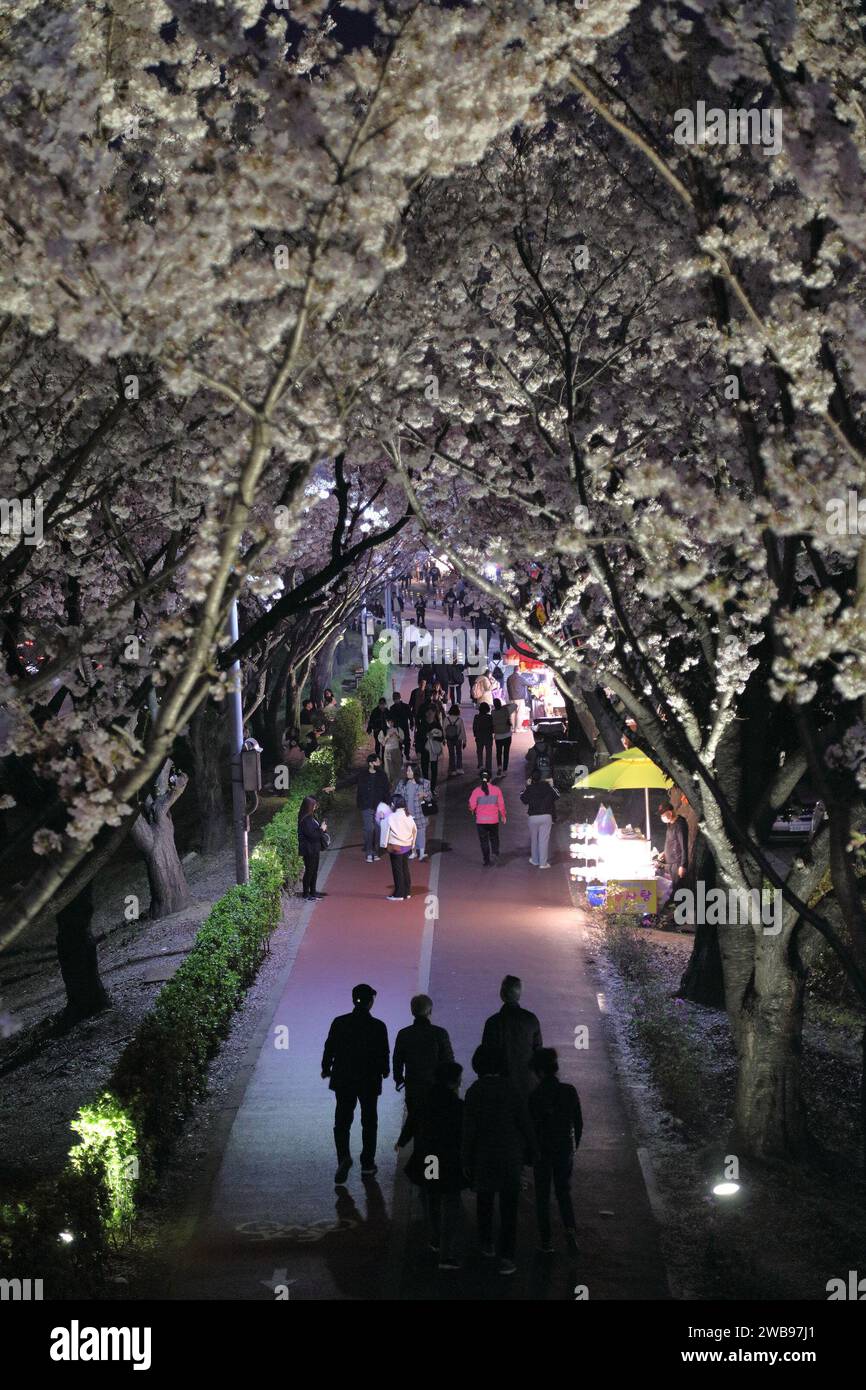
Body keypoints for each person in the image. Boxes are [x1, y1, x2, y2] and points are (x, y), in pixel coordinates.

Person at [461, 1045, 537, 1275]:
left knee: (484, 1201)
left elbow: (468, 1130)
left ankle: (486, 1243)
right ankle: (507, 1256)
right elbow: (525, 1122)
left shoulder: (474, 1091)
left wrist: (465, 1159)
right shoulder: (511, 1088)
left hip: (483, 1154)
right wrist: (533, 1150)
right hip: (510, 1155)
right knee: (509, 1207)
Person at [398, 1060, 465, 1269]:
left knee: (432, 1195)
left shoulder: (424, 1100)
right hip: (451, 1158)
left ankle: (434, 1237)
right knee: (452, 1200)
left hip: (430, 1157)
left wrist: (402, 1141)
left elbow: (412, 1122)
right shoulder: (457, 1105)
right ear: (454, 1082)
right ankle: (447, 1254)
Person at [321, 983, 390, 1183]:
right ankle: (367, 1162)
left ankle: (343, 1157)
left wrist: (326, 1068)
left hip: (343, 1078)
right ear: (371, 1002)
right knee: (369, 1121)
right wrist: (385, 1071)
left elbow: (330, 1047)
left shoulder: (339, 1022)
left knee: (342, 1120)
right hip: (369, 1079)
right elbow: (383, 1052)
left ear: (353, 1000)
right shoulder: (378, 1026)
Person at [529, 1049, 582, 1255]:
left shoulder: (535, 1096)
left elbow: (531, 1127)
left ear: (540, 1072)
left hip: (543, 1150)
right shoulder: (569, 1091)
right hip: (563, 1148)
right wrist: (574, 1145)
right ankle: (569, 1230)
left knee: (542, 1196)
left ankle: (546, 1241)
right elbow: (578, 1122)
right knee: (563, 1191)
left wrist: (531, 1152)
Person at [393, 995, 455, 1136]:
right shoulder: (440, 1033)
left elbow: (397, 1060)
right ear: (430, 1011)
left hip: (413, 1086)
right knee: (434, 1126)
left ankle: (420, 1154)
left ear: (412, 1011)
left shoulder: (404, 1034)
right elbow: (449, 1061)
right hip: (436, 1087)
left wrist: (398, 1079)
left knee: (416, 1124)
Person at [481, 975, 543, 1099]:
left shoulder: (493, 1022)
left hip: (501, 1085)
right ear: (519, 995)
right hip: (527, 1084)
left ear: (502, 994)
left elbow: (486, 1055)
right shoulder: (531, 1019)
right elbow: (538, 1052)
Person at [520, 768, 559, 869]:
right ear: (542, 777)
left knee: (534, 839)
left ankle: (535, 860)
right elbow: (557, 795)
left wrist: (527, 786)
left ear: (531, 779)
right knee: (543, 840)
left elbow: (523, 799)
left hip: (533, 817)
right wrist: (552, 784)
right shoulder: (547, 787)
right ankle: (543, 863)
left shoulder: (530, 788)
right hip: (546, 816)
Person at [382, 793, 417, 901]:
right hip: (407, 845)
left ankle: (399, 893)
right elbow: (414, 830)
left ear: (393, 804)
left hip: (396, 846)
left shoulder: (391, 817)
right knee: (405, 868)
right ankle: (407, 891)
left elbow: (385, 831)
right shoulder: (408, 816)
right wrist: (413, 844)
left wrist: (384, 844)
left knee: (397, 870)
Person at [357, 753, 390, 862]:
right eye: (377, 761)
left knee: (378, 829)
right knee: (369, 828)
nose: (379, 763)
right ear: (371, 763)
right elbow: (350, 781)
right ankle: (369, 852)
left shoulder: (382, 775)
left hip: (379, 807)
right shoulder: (363, 774)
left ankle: (375, 851)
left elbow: (387, 791)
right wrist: (334, 787)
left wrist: (387, 806)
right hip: (366, 806)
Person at [468, 770, 506, 866]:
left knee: (484, 841)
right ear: (491, 778)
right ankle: (495, 853)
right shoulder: (497, 790)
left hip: (481, 821)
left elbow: (471, 805)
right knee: (494, 837)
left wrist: (473, 809)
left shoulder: (476, 791)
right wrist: (503, 815)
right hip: (493, 820)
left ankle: (486, 860)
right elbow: (501, 804)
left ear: (480, 779)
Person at [394, 762, 429, 862]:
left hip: (420, 813)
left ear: (415, 771)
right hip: (407, 814)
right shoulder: (402, 783)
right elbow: (396, 795)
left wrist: (425, 795)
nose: (407, 772)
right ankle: (413, 852)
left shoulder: (424, 783)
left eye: (409, 770)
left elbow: (430, 797)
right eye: (407, 770)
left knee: (421, 833)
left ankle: (421, 853)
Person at [297, 795, 329, 900]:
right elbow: (312, 835)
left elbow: (315, 832)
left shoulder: (311, 816)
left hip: (314, 847)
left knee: (314, 870)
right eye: (314, 805)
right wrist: (322, 830)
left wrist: (322, 828)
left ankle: (313, 891)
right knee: (309, 870)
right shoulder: (305, 819)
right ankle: (306, 893)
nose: (316, 807)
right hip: (309, 848)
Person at [491, 696, 517, 776]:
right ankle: (505, 770)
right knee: (506, 753)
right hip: (507, 735)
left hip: (498, 736)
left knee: (498, 752)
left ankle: (499, 767)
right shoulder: (506, 710)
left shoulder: (493, 713)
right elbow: (515, 705)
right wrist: (504, 706)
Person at [424, 710, 445, 794]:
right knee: (425, 770)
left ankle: (432, 788)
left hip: (433, 750)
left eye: (432, 713)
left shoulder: (437, 725)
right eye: (428, 713)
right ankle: (426, 788)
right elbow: (418, 737)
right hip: (424, 750)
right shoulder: (423, 724)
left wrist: (434, 737)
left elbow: (441, 737)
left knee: (434, 770)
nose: (430, 714)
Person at [444, 702, 467, 775]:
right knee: (459, 753)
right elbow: (463, 731)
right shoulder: (460, 720)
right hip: (458, 738)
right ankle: (459, 768)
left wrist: (444, 739)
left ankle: (452, 770)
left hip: (449, 739)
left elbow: (443, 729)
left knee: (451, 754)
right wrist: (464, 741)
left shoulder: (446, 719)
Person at [380, 718, 404, 786]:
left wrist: (397, 735)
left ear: (394, 722)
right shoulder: (383, 731)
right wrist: (387, 737)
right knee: (388, 770)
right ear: (386, 722)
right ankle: (390, 786)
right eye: (388, 722)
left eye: (391, 722)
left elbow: (402, 741)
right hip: (387, 751)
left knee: (397, 768)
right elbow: (383, 744)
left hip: (396, 750)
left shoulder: (398, 729)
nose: (390, 724)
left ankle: (397, 785)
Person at [472, 701, 494, 774]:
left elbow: (474, 727)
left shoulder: (476, 717)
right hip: (488, 737)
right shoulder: (490, 717)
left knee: (479, 751)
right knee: (489, 753)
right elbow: (493, 727)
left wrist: (475, 734)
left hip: (479, 737)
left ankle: (480, 765)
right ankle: (488, 768)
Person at [390, 690, 412, 758]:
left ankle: (407, 753)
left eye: (397, 698)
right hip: (397, 727)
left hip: (405, 726)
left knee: (407, 740)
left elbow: (410, 716)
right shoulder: (392, 708)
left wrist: (412, 724)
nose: (396, 700)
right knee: (398, 741)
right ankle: (400, 753)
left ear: (400, 698)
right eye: (394, 699)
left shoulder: (406, 706)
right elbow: (390, 718)